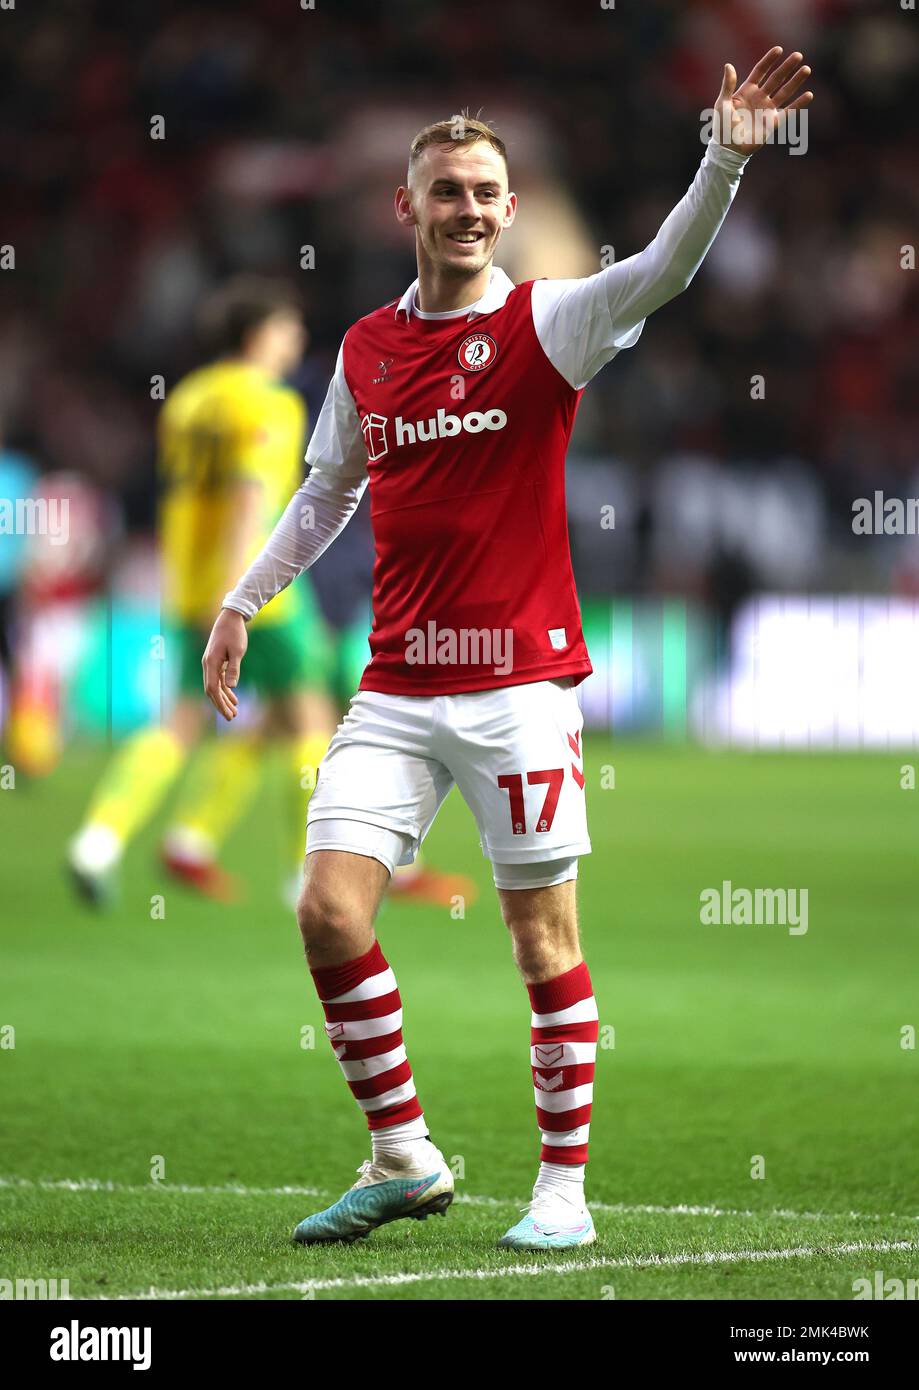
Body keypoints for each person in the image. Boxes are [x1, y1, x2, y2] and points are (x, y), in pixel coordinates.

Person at [203, 53, 814, 1250]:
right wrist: (242, 601)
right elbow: (325, 492)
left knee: (541, 940)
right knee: (328, 910)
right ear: (407, 205)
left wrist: (724, 159)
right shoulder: (366, 350)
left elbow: (662, 267)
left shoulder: (548, 320)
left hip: (520, 687)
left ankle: (561, 1194)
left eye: (487, 191)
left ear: (511, 206)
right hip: (396, 684)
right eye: (448, 190)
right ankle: (402, 1155)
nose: (469, 208)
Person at [68, 277, 337, 906]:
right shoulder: (269, 402)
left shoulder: (186, 400)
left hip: (190, 583)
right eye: (287, 326)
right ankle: (304, 875)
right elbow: (250, 495)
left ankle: (99, 839)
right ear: (258, 334)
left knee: (184, 720)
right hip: (256, 591)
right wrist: (238, 594)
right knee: (309, 714)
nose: (296, 337)